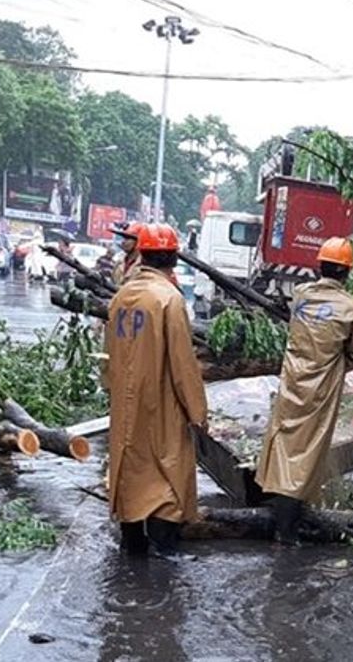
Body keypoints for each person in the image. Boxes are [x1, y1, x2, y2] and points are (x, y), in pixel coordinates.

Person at [254, 237, 353, 545]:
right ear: (347, 272)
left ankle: (282, 515)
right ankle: (287, 530)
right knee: (306, 452)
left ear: (319, 266)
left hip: (292, 378)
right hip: (321, 386)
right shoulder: (352, 308)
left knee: (283, 442)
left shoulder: (301, 294)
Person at [104, 223, 208, 560]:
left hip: (125, 401)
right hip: (160, 402)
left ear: (143, 254)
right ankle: (164, 551)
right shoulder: (169, 299)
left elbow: (108, 358)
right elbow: (182, 364)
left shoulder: (121, 297)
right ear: (174, 258)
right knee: (167, 472)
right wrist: (197, 412)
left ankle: (132, 543)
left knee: (130, 467)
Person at [110, 222, 143, 286]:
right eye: (124, 238)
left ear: (138, 242)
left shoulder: (144, 266)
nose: (123, 242)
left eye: (127, 239)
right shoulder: (119, 262)